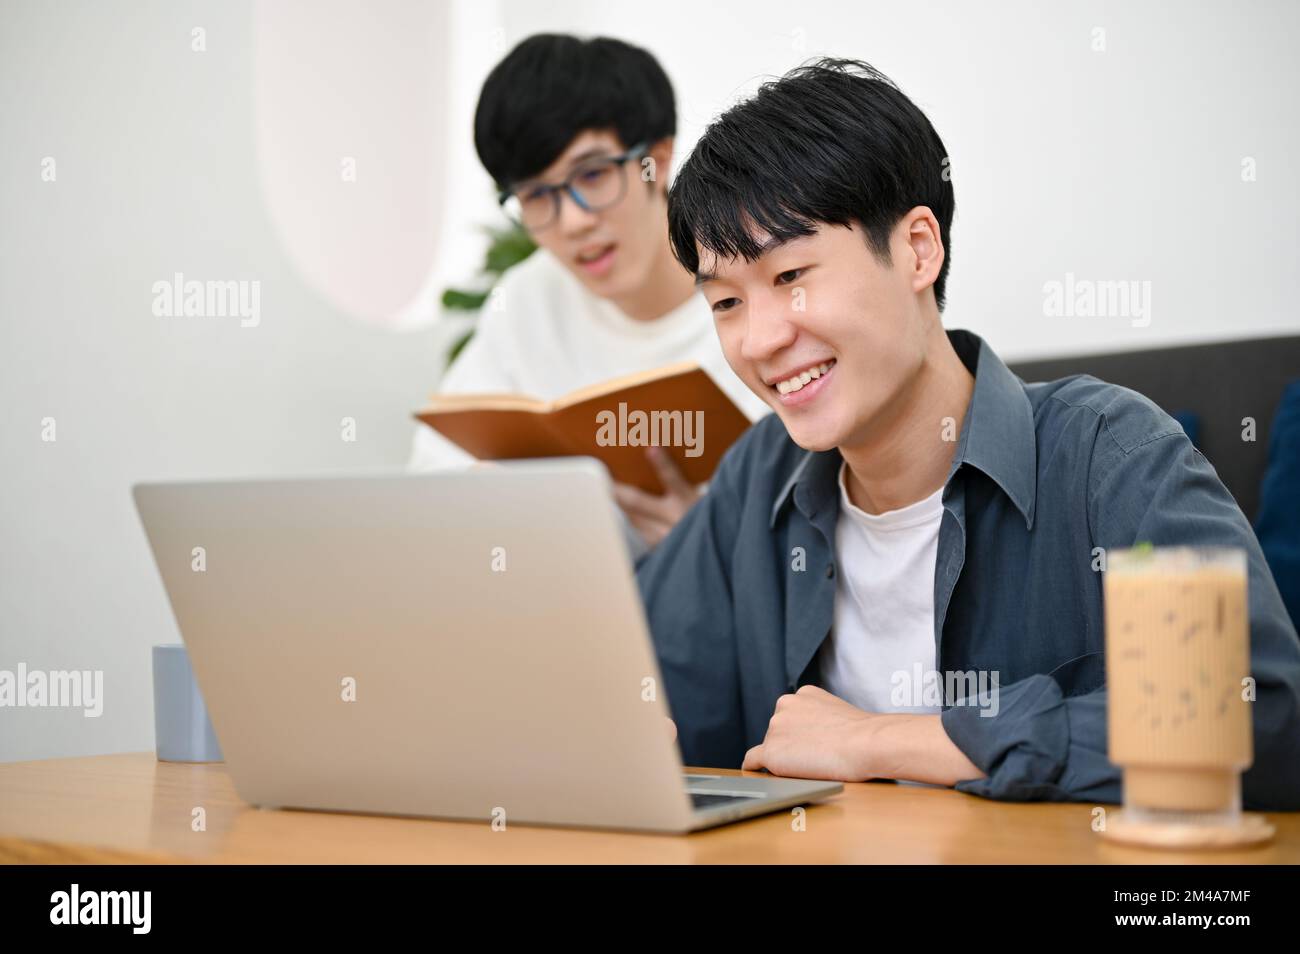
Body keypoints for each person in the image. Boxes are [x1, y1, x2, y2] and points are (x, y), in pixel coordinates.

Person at [638, 58, 1300, 807]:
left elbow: (1263, 718)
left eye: (791, 276)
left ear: (919, 249)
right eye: (725, 302)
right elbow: (642, 677)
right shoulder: (760, 474)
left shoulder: (1107, 454)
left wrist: (881, 739)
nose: (757, 341)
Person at [408, 34, 768, 550]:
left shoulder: (754, 283)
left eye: (593, 174)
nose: (573, 221)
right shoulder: (528, 297)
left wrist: (710, 545)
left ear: (658, 161)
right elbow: (432, 473)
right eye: (536, 195)